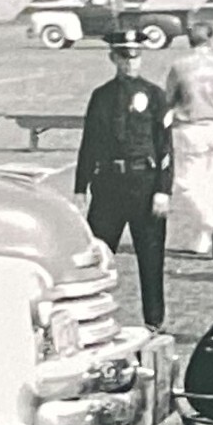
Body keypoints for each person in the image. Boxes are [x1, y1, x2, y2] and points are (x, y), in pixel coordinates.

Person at [73, 31, 174, 331]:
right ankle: (90, 317)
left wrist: (163, 190)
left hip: (144, 182)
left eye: (136, 56)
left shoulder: (155, 95)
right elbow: (88, 143)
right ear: (113, 58)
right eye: (124, 57)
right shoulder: (101, 96)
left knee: (151, 257)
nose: (131, 63)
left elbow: (165, 146)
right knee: (99, 256)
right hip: (108, 187)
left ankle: (154, 321)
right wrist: (80, 187)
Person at [164, 22, 213, 259]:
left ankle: (211, 225)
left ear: (189, 40)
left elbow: (169, 98)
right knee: (211, 184)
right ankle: (201, 241)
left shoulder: (180, 66)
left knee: (184, 181)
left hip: (191, 127)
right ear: (211, 40)